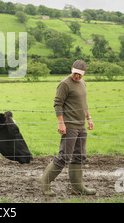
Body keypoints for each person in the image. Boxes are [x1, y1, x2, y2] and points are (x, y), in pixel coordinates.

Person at [40, 60, 96, 196]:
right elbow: (58, 104)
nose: (77, 77)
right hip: (69, 125)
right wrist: (61, 123)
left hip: (81, 126)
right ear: (71, 69)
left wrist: (89, 118)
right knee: (64, 156)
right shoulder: (65, 84)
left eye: (80, 74)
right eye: (75, 73)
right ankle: (45, 184)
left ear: (84, 74)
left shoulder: (82, 83)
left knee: (79, 156)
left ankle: (77, 187)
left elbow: (84, 102)